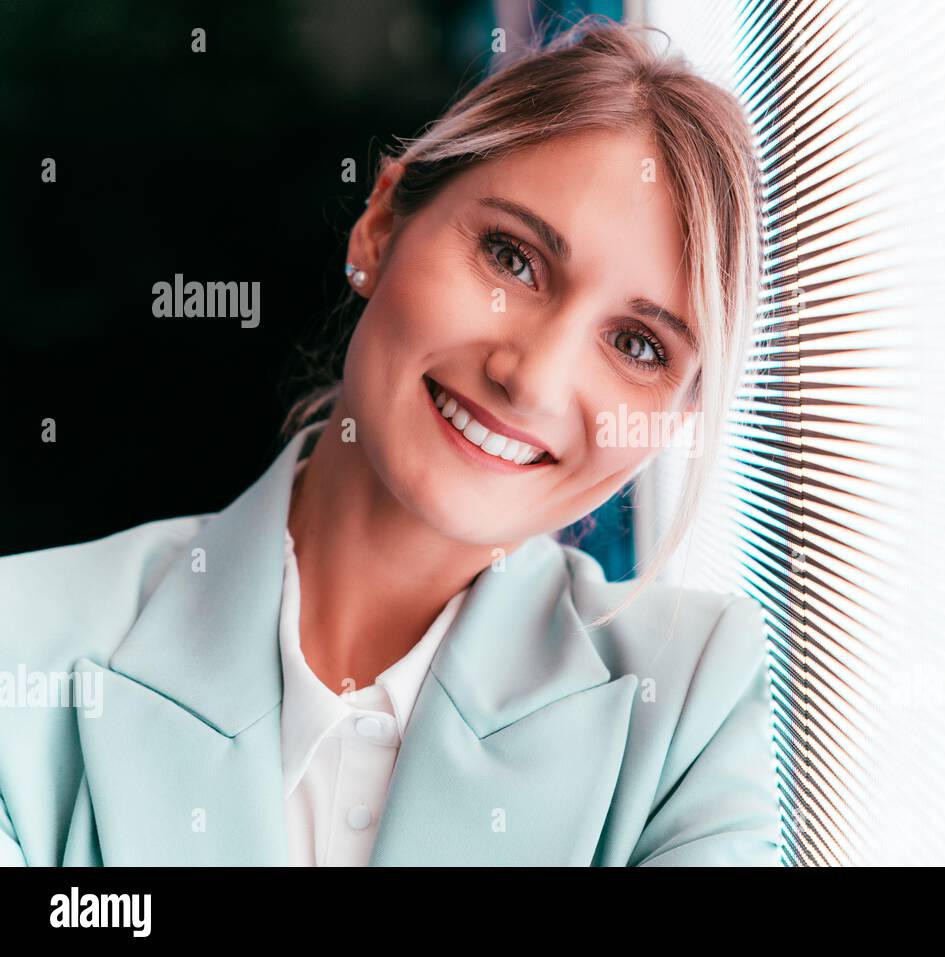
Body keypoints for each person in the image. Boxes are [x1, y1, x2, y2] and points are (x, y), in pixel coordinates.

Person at [0, 16, 779, 866]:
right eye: (512, 259)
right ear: (379, 223)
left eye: (637, 345)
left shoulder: (689, 704)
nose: (535, 378)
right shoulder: (23, 650)